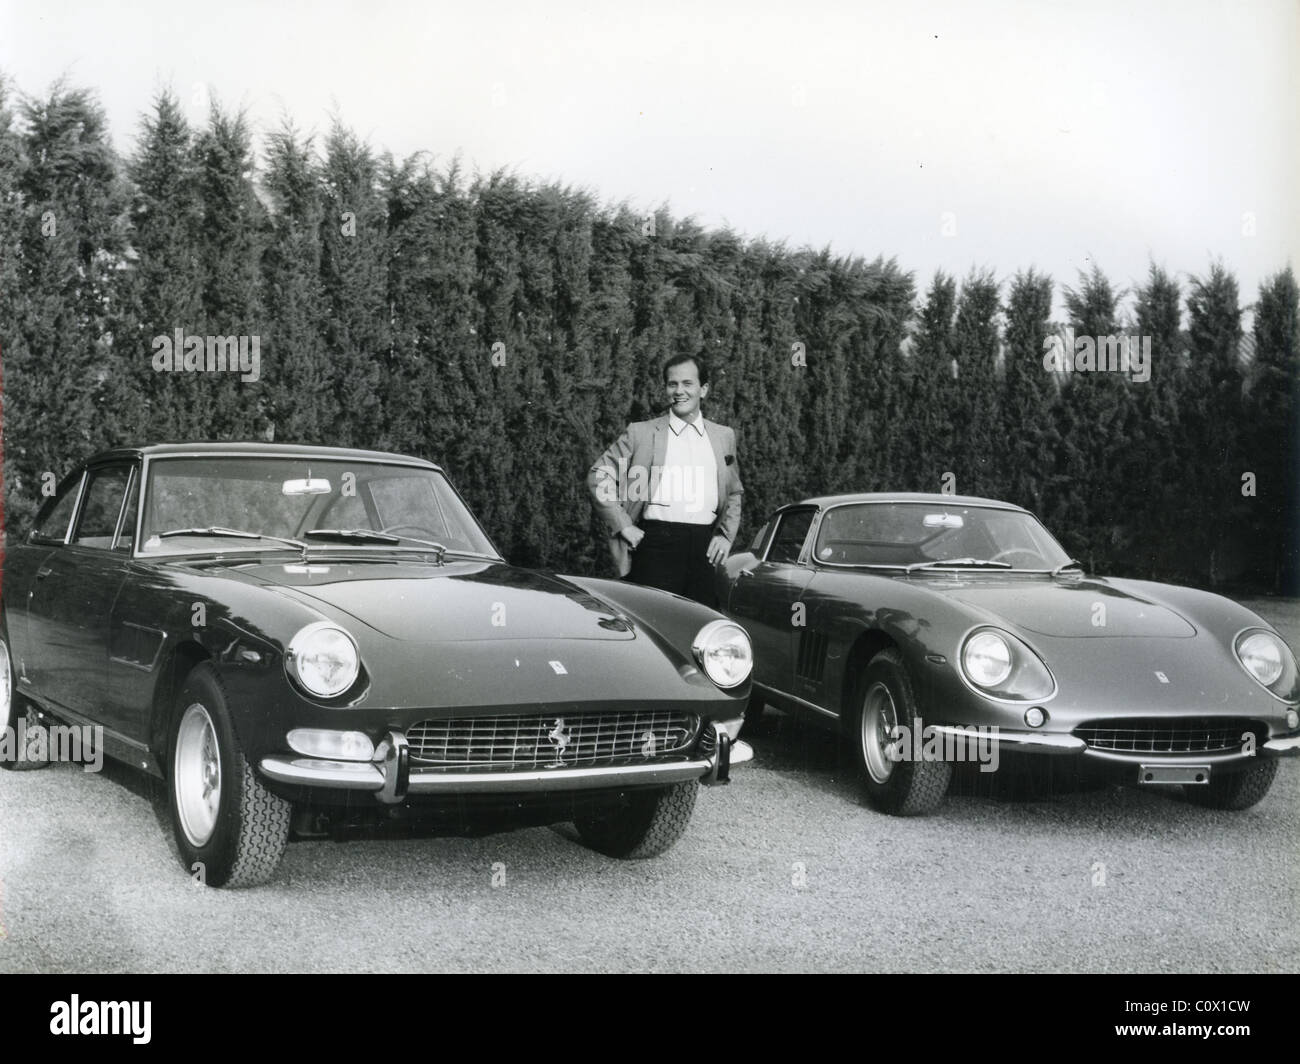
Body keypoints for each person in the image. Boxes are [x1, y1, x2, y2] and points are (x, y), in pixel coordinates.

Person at [587, 352, 742, 608]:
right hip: (655, 546)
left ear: (703, 390)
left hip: (704, 549)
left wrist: (725, 536)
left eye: (687, 383)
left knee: (701, 631)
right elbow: (599, 474)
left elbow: (735, 491)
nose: (679, 391)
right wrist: (623, 524)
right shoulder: (642, 433)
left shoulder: (724, 437)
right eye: (672, 384)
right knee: (653, 631)